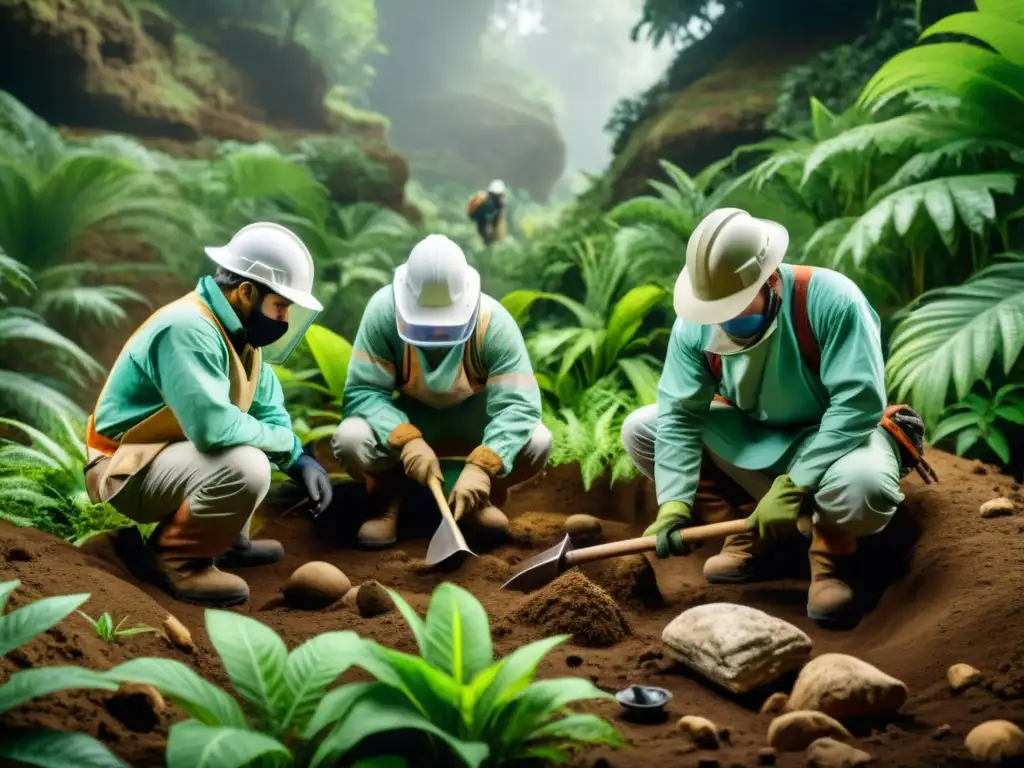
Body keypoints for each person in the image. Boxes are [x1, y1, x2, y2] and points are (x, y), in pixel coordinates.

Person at [620, 207, 925, 626]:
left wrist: (796, 482)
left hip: (838, 438)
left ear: (770, 279)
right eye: (716, 308)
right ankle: (750, 531)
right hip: (756, 435)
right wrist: (674, 502)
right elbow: (679, 416)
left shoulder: (832, 301)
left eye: (737, 304)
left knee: (864, 490)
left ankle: (829, 557)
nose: (726, 319)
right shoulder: (695, 325)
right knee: (643, 429)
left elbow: (858, 403)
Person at [84, 222, 334, 607]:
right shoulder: (188, 328)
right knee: (246, 463)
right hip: (124, 465)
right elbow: (213, 430)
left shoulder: (241, 338)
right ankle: (176, 558)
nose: (284, 319)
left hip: (167, 453)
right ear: (247, 292)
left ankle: (228, 541)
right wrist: (286, 446)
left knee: (253, 443)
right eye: (281, 306)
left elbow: (268, 409)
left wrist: (298, 458)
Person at [333, 233, 550, 548]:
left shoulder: (492, 323)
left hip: (474, 425)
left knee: (538, 441)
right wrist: (406, 440)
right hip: (410, 419)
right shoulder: (383, 312)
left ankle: (478, 496)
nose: (435, 332)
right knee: (351, 438)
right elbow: (363, 392)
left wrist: (484, 465)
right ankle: (388, 497)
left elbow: (520, 407)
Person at [467, 179, 508, 246]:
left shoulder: (486, 200)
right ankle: (487, 243)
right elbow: (487, 222)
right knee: (487, 234)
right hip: (482, 219)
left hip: (480, 218)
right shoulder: (489, 205)